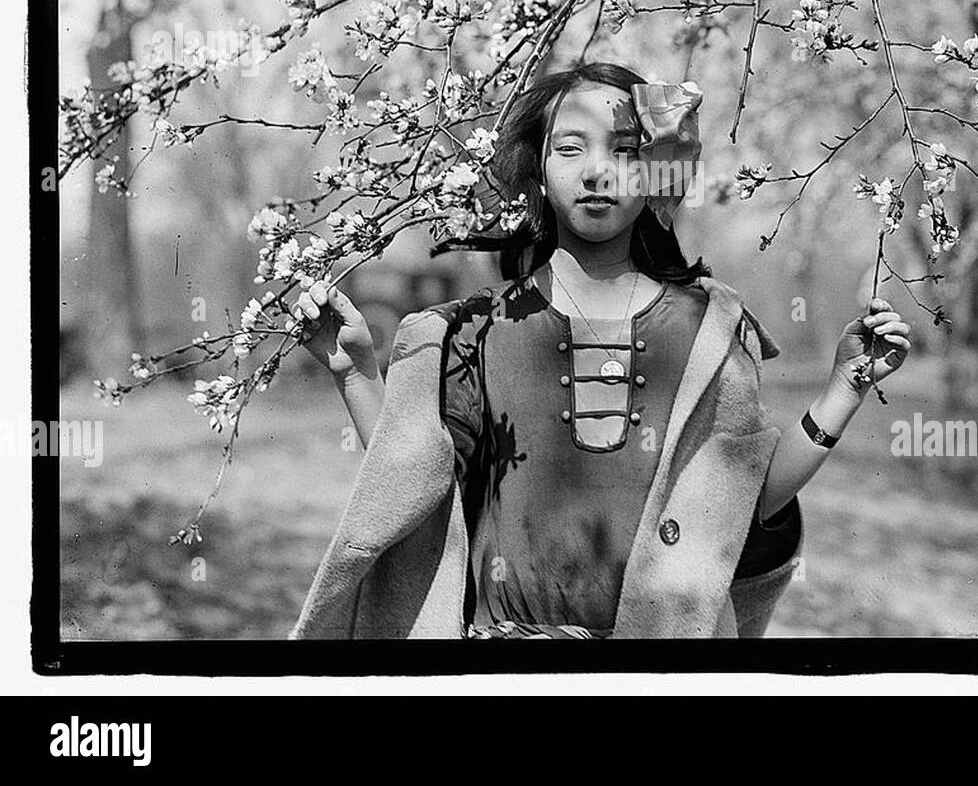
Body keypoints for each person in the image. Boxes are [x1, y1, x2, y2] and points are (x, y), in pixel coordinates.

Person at [290, 61, 911, 639]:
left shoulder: (709, 329)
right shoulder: (475, 329)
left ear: (659, 171)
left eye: (625, 150)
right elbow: (416, 488)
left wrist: (843, 392)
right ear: (539, 171)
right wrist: (355, 374)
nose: (596, 171)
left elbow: (745, 498)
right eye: (570, 148)